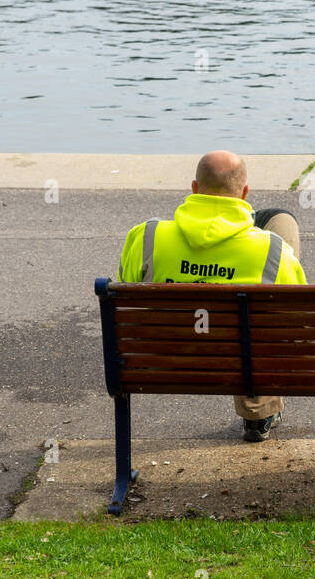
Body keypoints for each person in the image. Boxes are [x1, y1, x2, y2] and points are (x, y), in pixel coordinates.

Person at [117, 150, 305, 442]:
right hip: (240, 356)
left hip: (162, 359)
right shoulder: (273, 251)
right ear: (245, 193)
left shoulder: (147, 237)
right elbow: (292, 320)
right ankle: (259, 411)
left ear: (194, 188)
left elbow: (126, 294)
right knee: (281, 225)